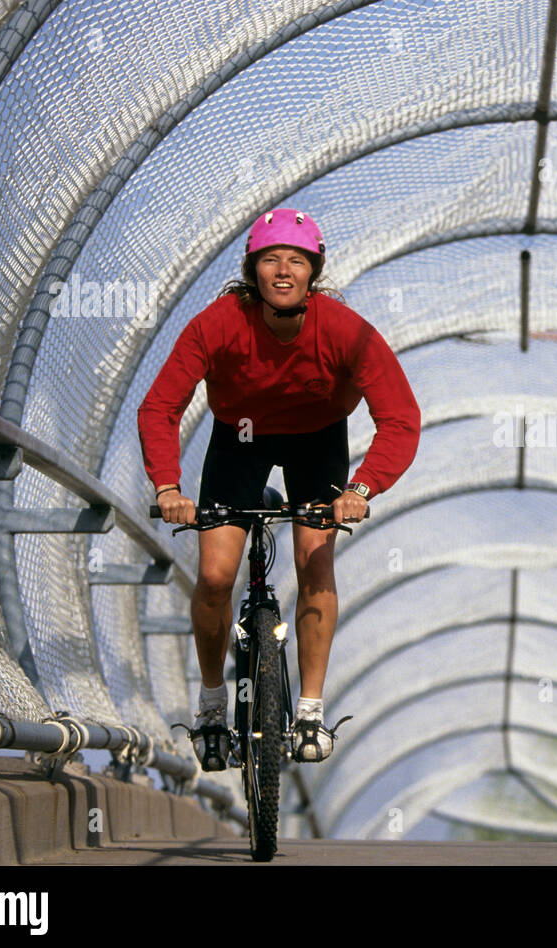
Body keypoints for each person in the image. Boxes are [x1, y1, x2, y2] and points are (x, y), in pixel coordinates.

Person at [137, 207, 420, 770]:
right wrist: (168, 485)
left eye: (296, 261)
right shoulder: (217, 324)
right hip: (238, 441)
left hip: (317, 442)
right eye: (271, 260)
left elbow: (401, 418)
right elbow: (159, 407)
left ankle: (310, 712)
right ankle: (214, 707)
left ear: (314, 273)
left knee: (316, 564)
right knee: (216, 577)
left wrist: (361, 488)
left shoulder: (345, 330)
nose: (284, 271)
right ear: (252, 272)